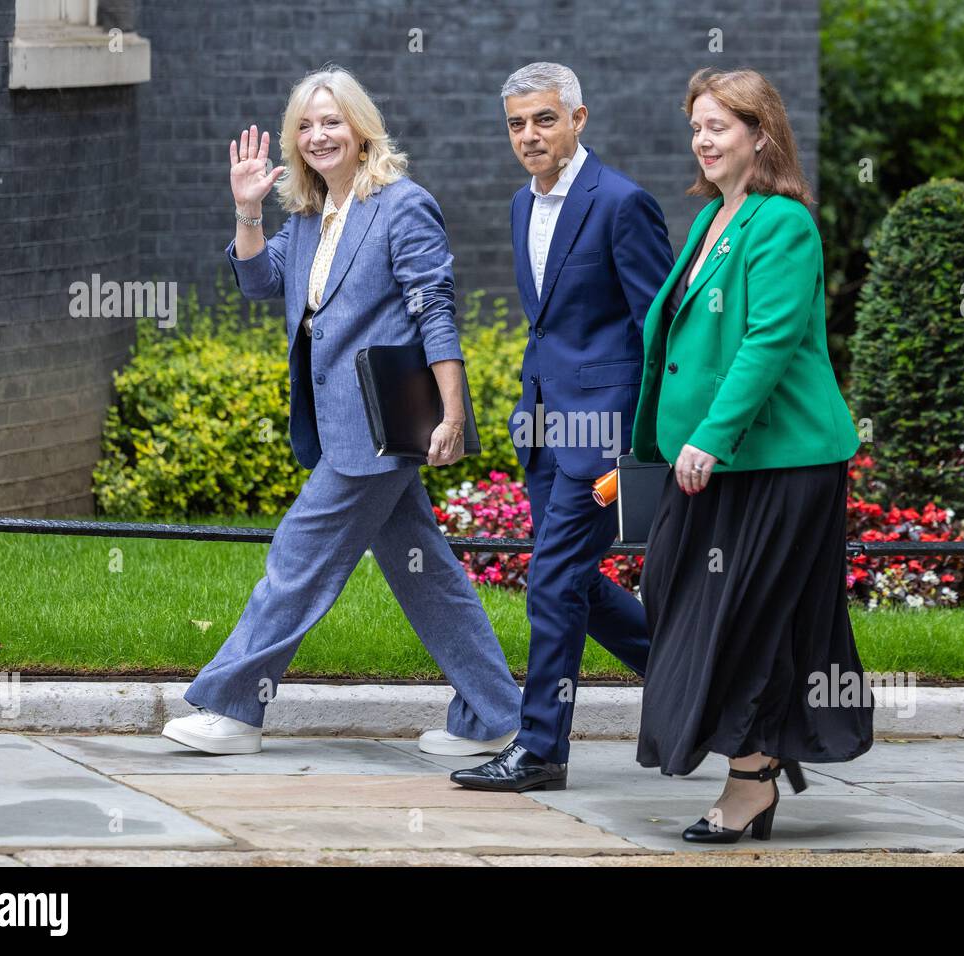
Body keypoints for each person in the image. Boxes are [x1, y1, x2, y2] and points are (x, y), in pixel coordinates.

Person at [160, 65, 522, 757]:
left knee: (296, 559)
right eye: (305, 124)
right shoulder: (310, 215)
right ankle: (497, 715)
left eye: (332, 121)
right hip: (342, 428)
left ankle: (233, 708)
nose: (318, 134)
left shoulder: (401, 204)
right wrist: (247, 211)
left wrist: (453, 413)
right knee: (429, 577)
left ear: (362, 131)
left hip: (379, 430)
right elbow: (261, 281)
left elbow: (434, 310)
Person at [630, 67, 874, 842]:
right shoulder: (713, 220)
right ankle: (762, 758)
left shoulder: (782, 222)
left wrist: (711, 434)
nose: (703, 140)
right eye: (696, 125)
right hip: (717, 460)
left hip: (779, 460)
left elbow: (767, 340)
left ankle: (751, 780)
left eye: (719, 127)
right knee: (679, 599)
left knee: (752, 619)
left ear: (760, 135)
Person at [449, 62, 674, 792]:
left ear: (579, 119)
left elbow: (656, 329)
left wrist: (642, 442)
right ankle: (711, 686)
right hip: (544, 427)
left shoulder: (622, 203)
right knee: (573, 581)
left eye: (544, 118)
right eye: (516, 123)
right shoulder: (521, 205)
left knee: (551, 577)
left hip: (601, 434)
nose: (529, 134)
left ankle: (541, 747)